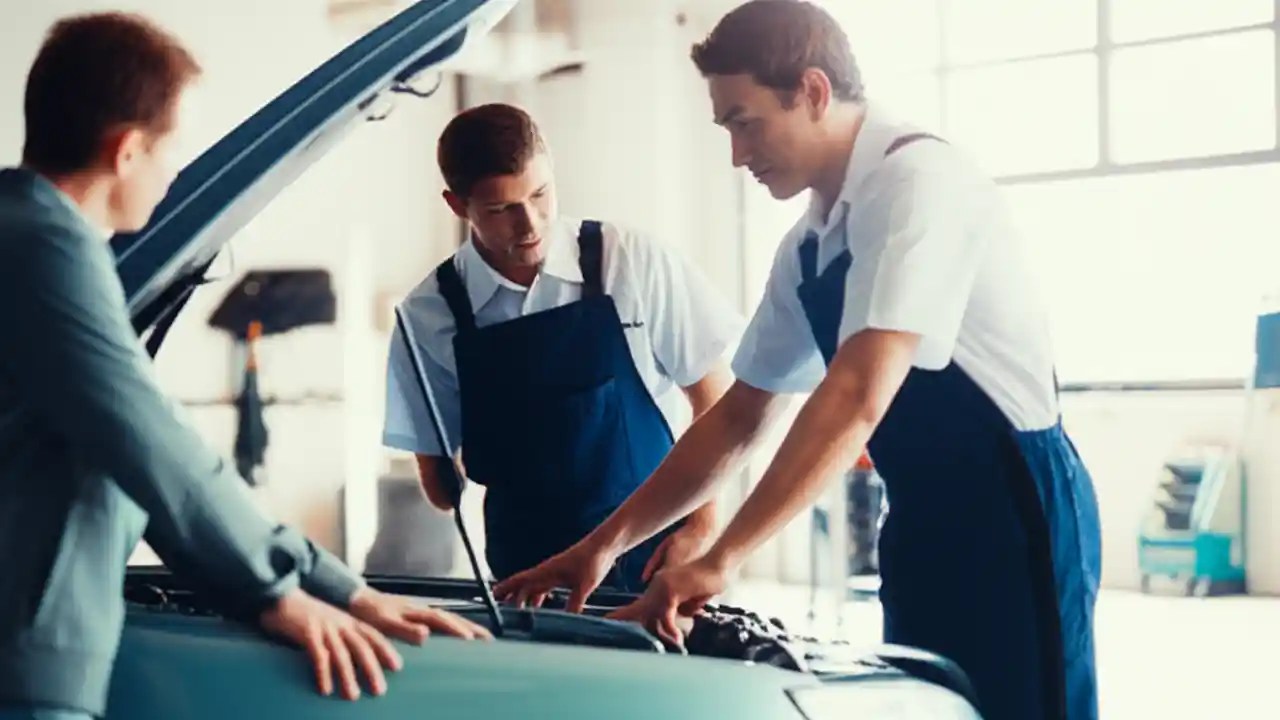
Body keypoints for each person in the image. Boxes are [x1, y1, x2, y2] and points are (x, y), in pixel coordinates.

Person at [492, 2, 1102, 719]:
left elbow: (855, 394)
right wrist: (603, 545)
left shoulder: (918, 184)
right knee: (937, 708)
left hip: (1015, 505)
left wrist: (722, 558)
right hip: (921, 515)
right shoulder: (809, 245)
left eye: (745, 122)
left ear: (813, 91)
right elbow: (742, 415)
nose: (737, 154)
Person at [0, 13, 489, 720]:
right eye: (173, 149)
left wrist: (330, 584)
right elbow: (144, 439)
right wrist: (277, 592)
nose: (175, 172)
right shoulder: (46, 247)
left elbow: (131, 449)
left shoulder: (25, 234)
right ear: (128, 151)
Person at [382, 103, 741, 592]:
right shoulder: (426, 316)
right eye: (500, 209)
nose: (529, 224)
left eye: (540, 194)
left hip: (658, 567)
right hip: (527, 585)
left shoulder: (632, 262)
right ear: (456, 205)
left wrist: (703, 526)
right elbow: (441, 488)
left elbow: (718, 402)